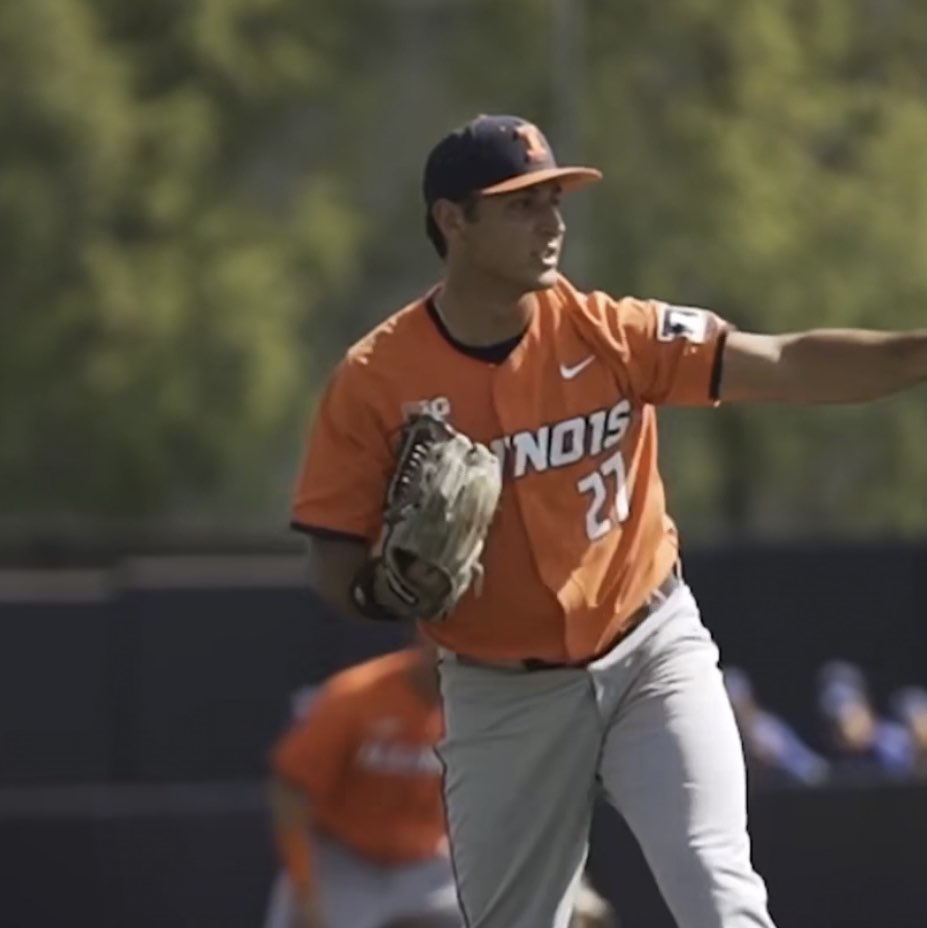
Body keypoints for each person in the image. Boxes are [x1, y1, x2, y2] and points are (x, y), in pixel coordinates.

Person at [288, 112, 927, 928]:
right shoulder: (375, 378)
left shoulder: (611, 333)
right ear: (453, 220)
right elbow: (333, 564)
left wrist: (917, 352)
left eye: (554, 201)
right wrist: (389, 590)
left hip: (649, 653)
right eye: (521, 205)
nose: (550, 223)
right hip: (500, 692)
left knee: (717, 891)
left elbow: (786, 362)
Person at [264, 641, 462, 928]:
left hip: (426, 863)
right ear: (424, 635)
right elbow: (290, 790)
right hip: (346, 859)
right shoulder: (356, 695)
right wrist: (305, 886)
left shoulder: (483, 705)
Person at [722, 666, 830, 790]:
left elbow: (798, 764)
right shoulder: (727, 735)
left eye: (738, 704)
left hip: (802, 782)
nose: (737, 711)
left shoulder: (763, 728)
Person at [815, 660, 912, 784]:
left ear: (867, 705)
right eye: (836, 722)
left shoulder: (897, 741)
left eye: (854, 716)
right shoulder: (826, 754)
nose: (847, 728)